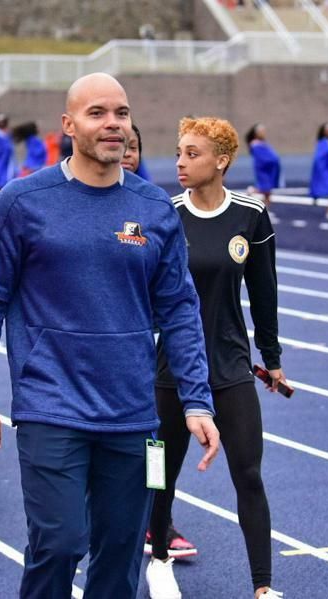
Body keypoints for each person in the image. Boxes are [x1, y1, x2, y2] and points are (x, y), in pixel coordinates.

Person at [0, 73, 219, 599]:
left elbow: (180, 309)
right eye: (97, 113)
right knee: (59, 543)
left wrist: (196, 400)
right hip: (50, 406)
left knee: (122, 552)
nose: (112, 124)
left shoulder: (154, 210)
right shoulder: (22, 201)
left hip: (132, 415)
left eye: (121, 113)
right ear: (68, 124)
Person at [146, 116, 287, 599]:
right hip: (171, 371)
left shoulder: (251, 215)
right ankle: (158, 559)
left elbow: (264, 293)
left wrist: (272, 356)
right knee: (158, 473)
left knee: (249, 474)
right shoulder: (166, 215)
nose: (180, 162)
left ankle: (263, 587)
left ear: (221, 161)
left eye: (192, 153)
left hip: (229, 367)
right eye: (179, 152)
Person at [121, 123, 198, 562]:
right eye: (123, 146)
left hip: (157, 349)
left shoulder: (157, 208)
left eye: (136, 147)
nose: (127, 153)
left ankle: (158, 521)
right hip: (112, 348)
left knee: (156, 444)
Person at [245, 123, 281, 207]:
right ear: (256, 133)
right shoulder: (255, 144)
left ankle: (266, 209)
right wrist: (272, 160)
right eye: (261, 131)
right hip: (263, 169)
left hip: (268, 169)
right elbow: (263, 157)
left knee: (268, 192)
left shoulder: (261, 143)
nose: (263, 133)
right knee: (265, 189)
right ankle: (251, 191)